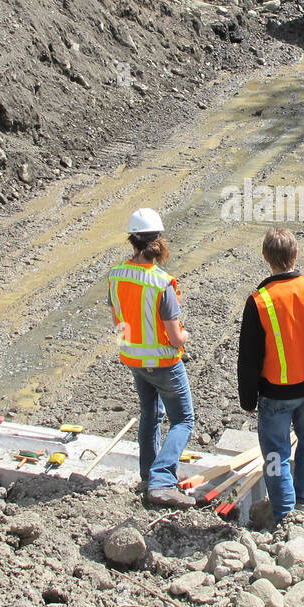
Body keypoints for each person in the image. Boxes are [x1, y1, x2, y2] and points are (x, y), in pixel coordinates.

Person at [238, 228, 304, 523]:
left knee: (275, 454)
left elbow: (249, 358)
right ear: (296, 255)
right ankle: (301, 503)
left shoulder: (260, 301)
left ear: (265, 258)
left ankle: (284, 514)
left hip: (276, 393)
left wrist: (248, 398)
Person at [108, 208, 196, 508]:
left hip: (134, 359)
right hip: (163, 362)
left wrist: (128, 349)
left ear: (132, 241)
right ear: (159, 242)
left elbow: (117, 320)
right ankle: (161, 480)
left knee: (150, 414)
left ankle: (148, 475)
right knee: (183, 419)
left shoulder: (117, 275)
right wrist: (184, 337)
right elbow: (174, 336)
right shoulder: (162, 283)